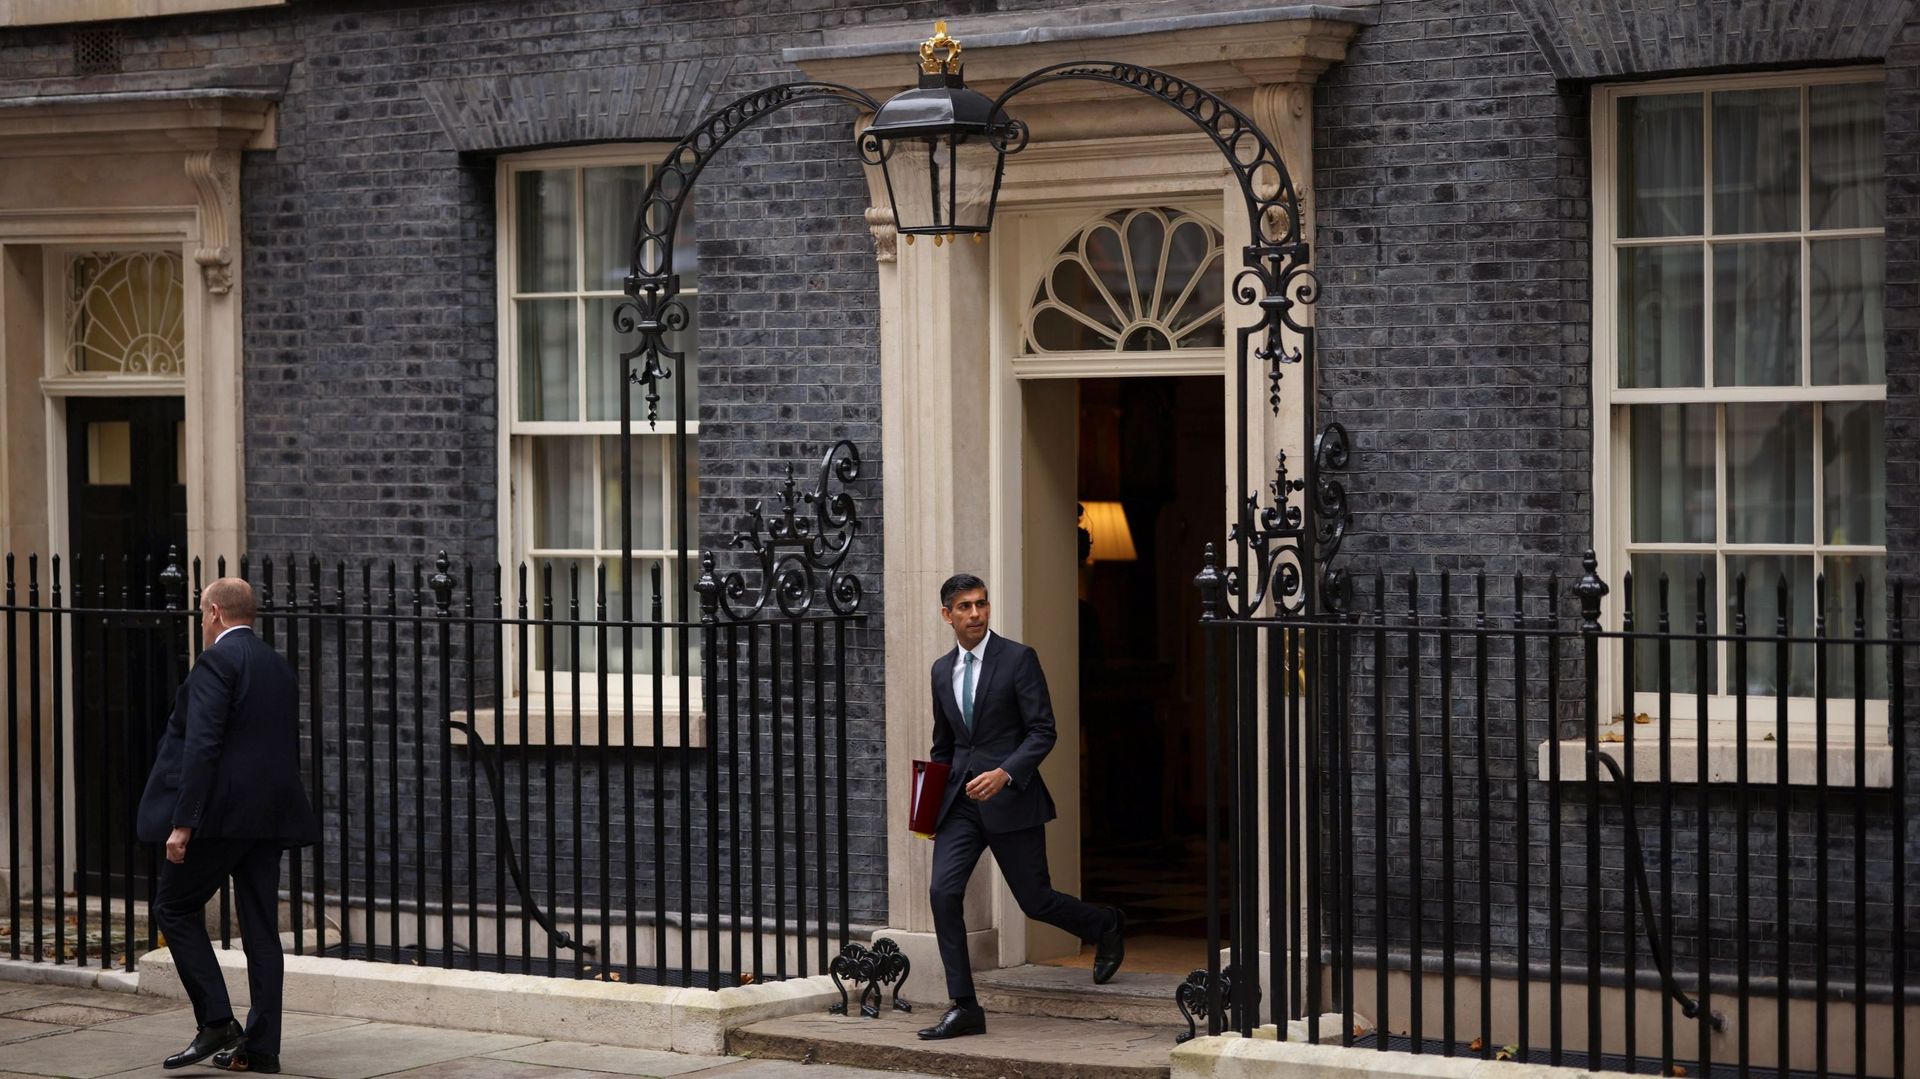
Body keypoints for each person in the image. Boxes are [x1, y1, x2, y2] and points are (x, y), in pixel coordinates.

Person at [917, 573, 1125, 1041]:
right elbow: (944, 747)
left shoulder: (1018, 659)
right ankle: (965, 1005)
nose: (975, 614)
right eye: (965, 607)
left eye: (981, 605)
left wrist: (1005, 773)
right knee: (942, 893)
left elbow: (1042, 731)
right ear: (947, 615)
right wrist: (931, 808)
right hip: (961, 808)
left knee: (1035, 902)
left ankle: (1106, 923)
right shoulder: (939, 670)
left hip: (1012, 800)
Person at [136, 577, 319, 1073]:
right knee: (261, 930)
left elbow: (203, 745)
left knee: (173, 907)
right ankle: (261, 1048)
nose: (200, 622)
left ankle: (216, 1019)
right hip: (268, 818)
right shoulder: (277, 665)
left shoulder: (217, 660)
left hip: (219, 820)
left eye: (200, 613)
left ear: (214, 613)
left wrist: (183, 822)